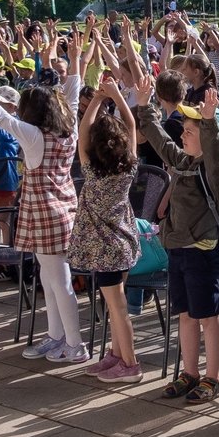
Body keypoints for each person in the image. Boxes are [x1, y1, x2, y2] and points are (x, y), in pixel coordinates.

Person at [0, 62, 87, 365]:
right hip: (60, 208)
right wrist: (78, 60)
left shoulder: (33, 136)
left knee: (59, 280)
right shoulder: (67, 131)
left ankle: (76, 344)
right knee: (49, 277)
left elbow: (0, 116)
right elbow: (73, 94)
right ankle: (57, 336)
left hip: (45, 212)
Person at [134, 86, 219, 403]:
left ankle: (214, 377)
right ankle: (190, 373)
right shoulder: (182, 162)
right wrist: (143, 107)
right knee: (186, 314)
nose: (182, 136)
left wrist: (207, 123)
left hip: (202, 250)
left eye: (190, 131)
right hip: (177, 247)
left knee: (208, 316)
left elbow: (215, 153)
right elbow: (160, 140)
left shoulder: (214, 169)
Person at [70, 74, 144, 383]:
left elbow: (82, 131)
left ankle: (130, 364)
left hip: (103, 250)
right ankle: (115, 354)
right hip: (122, 244)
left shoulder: (90, 170)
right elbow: (131, 126)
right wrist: (116, 97)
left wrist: (99, 98)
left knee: (117, 308)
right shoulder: (128, 167)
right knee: (116, 304)